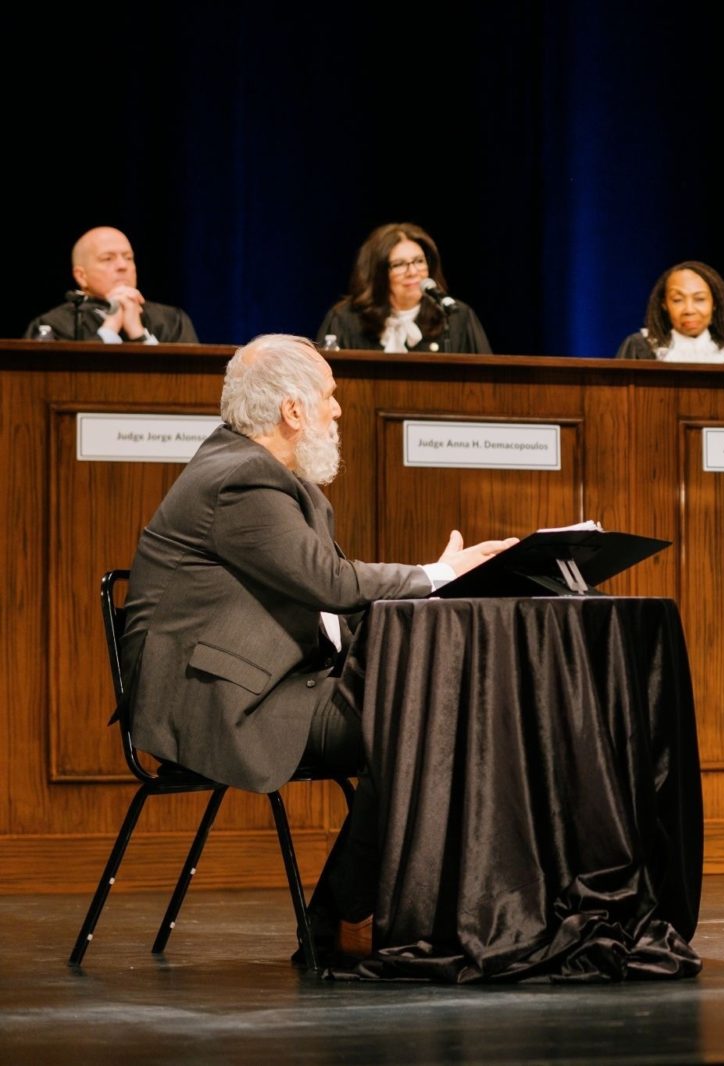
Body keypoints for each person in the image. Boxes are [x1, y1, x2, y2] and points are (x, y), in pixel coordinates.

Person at [119, 333, 516, 948]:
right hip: (219, 704)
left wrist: (431, 588)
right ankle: (343, 917)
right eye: (329, 396)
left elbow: (323, 602)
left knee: (436, 706)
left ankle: (366, 911)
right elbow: (329, 583)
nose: (337, 409)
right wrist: (438, 577)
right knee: (417, 723)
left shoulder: (268, 476)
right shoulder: (241, 478)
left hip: (272, 680)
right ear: (293, 410)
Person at [317, 222, 491, 353]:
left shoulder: (455, 318)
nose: (413, 271)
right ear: (376, 273)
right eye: (399, 265)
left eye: (419, 261)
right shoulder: (345, 320)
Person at [24, 226, 199, 344]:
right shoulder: (54, 325)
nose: (123, 266)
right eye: (107, 259)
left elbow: (191, 385)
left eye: (128, 258)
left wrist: (139, 334)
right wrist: (109, 330)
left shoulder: (172, 321)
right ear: (81, 276)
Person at [614, 260, 724, 363]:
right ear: (664, 304)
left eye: (699, 299)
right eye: (677, 300)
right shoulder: (640, 348)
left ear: (715, 304)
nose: (689, 310)